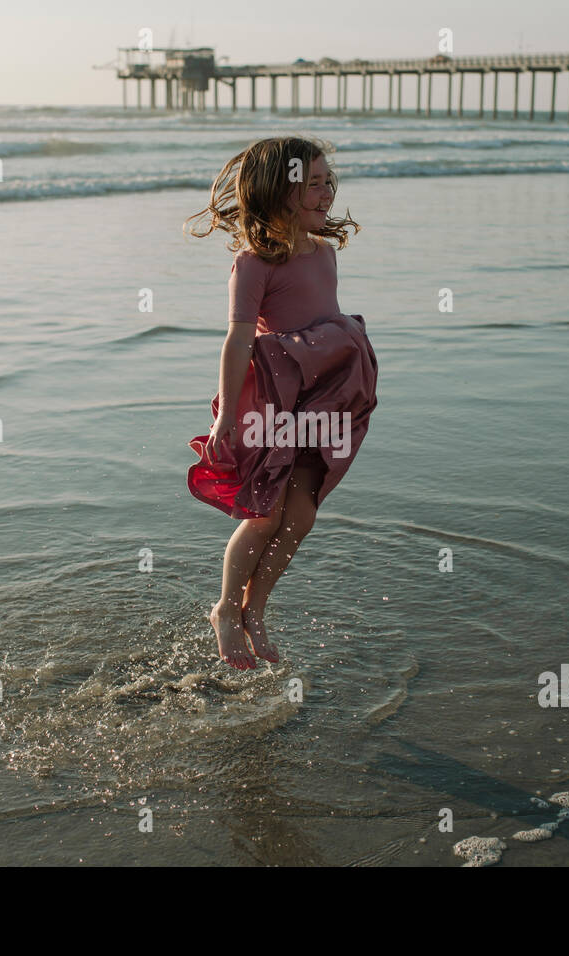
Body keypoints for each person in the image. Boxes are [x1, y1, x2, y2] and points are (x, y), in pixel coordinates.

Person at [183, 136, 378, 670]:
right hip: (276, 400)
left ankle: (256, 610)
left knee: (302, 514)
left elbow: (325, 327)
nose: (325, 192)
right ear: (280, 188)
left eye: (327, 181)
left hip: (325, 397)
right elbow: (238, 340)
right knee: (265, 513)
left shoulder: (325, 253)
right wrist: (225, 415)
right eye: (312, 183)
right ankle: (226, 609)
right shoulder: (254, 263)